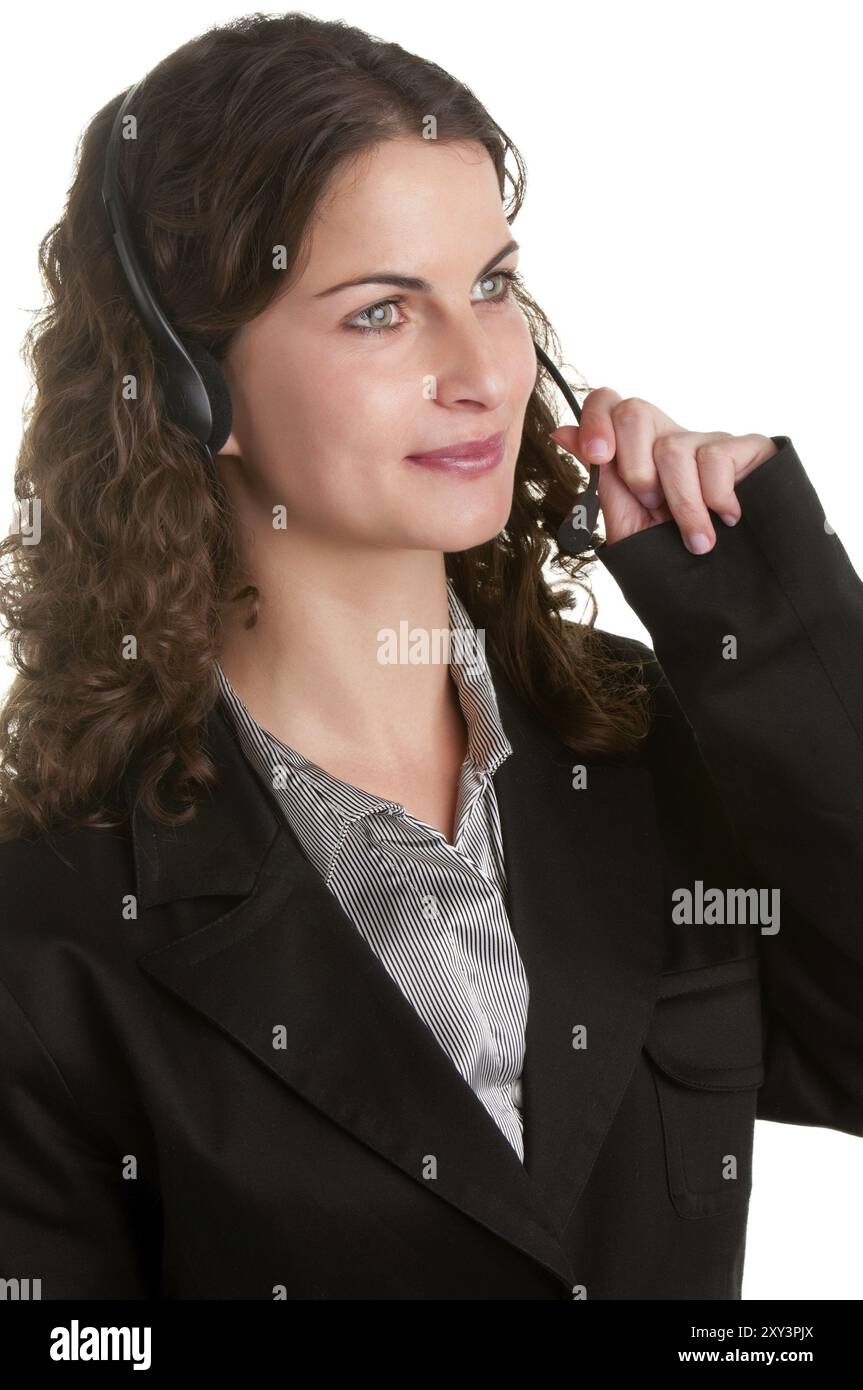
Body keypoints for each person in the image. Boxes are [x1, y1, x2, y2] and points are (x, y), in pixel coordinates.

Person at [0, 12, 861, 1302]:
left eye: (495, 288)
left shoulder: (645, 754)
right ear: (190, 379)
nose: (485, 373)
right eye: (381, 313)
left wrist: (754, 613)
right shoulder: (53, 934)